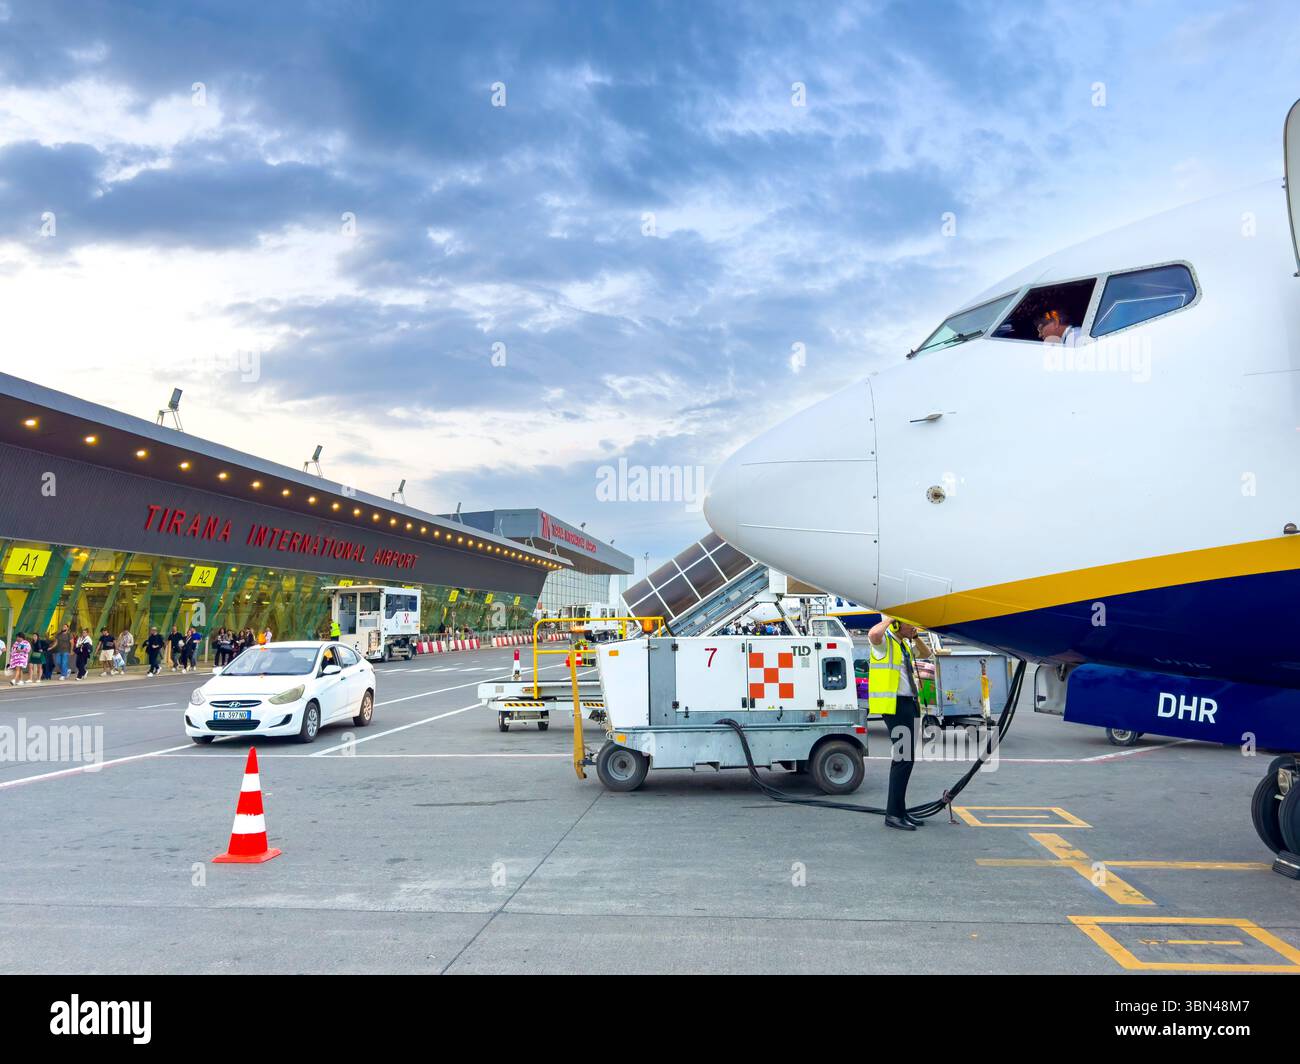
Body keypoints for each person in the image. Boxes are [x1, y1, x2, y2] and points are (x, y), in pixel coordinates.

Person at [867, 614, 932, 832]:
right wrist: (890, 618)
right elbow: (873, 634)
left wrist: (915, 636)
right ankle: (893, 814)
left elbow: (926, 653)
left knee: (907, 759)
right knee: (903, 759)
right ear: (896, 624)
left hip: (909, 704)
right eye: (909, 622)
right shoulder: (884, 643)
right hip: (894, 706)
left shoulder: (902, 645)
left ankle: (900, 810)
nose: (913, 625)